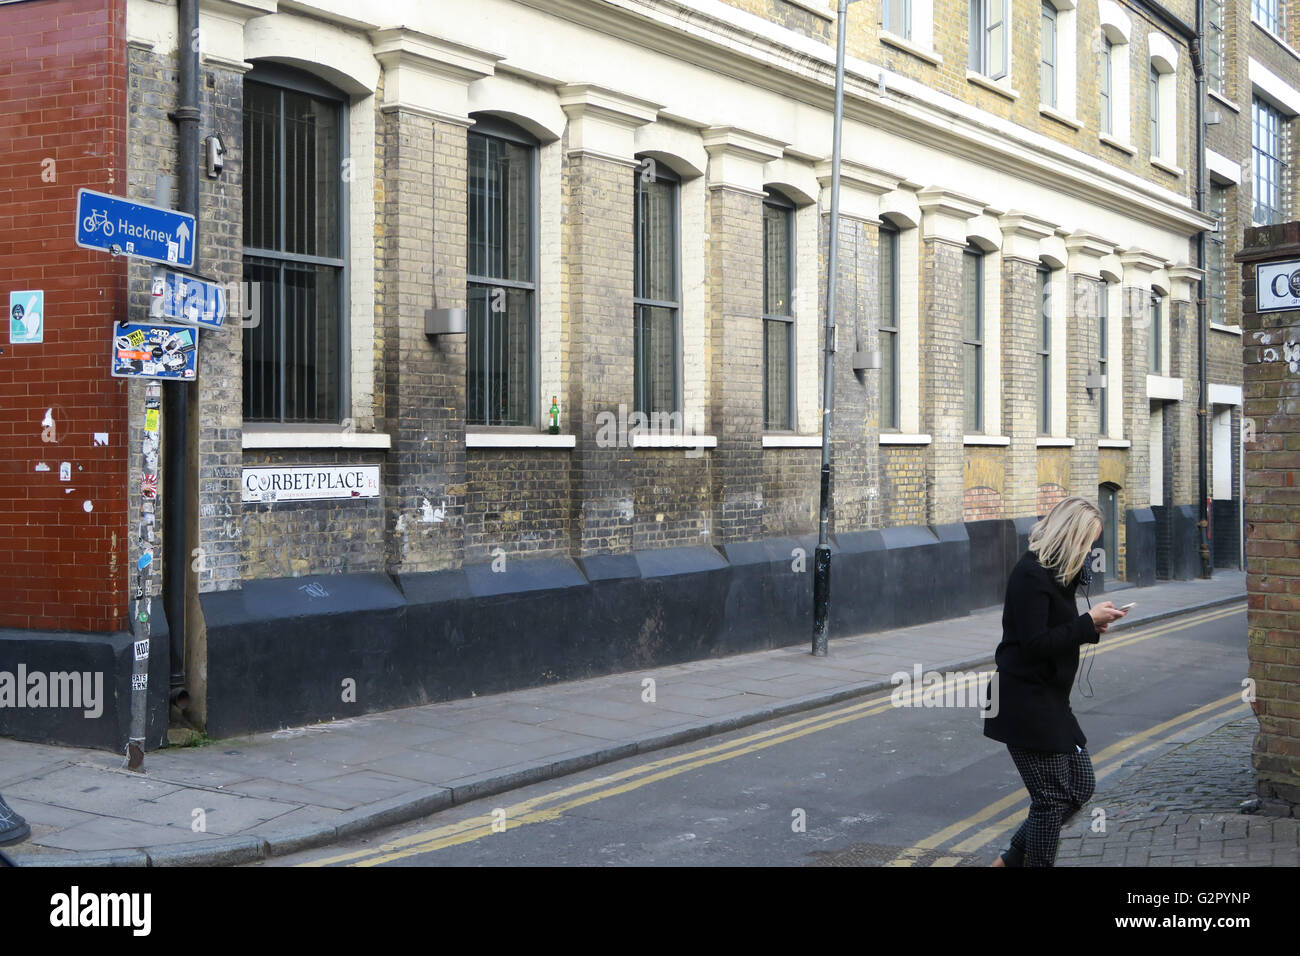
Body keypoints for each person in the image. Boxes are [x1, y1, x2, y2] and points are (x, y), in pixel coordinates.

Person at [982, 496, 1129, 867]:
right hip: (1025, 701)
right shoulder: (1031, 574)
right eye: (1088, 541)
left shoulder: (1059, 574)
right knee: (1049, 801)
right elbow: (1033, 644)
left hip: (1051, 700)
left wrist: (1093, 623)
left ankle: (1008, 861)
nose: (1091, 550)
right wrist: (1086, 623)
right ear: (1069, 535)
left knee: (1079, 787)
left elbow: (1059, 631)